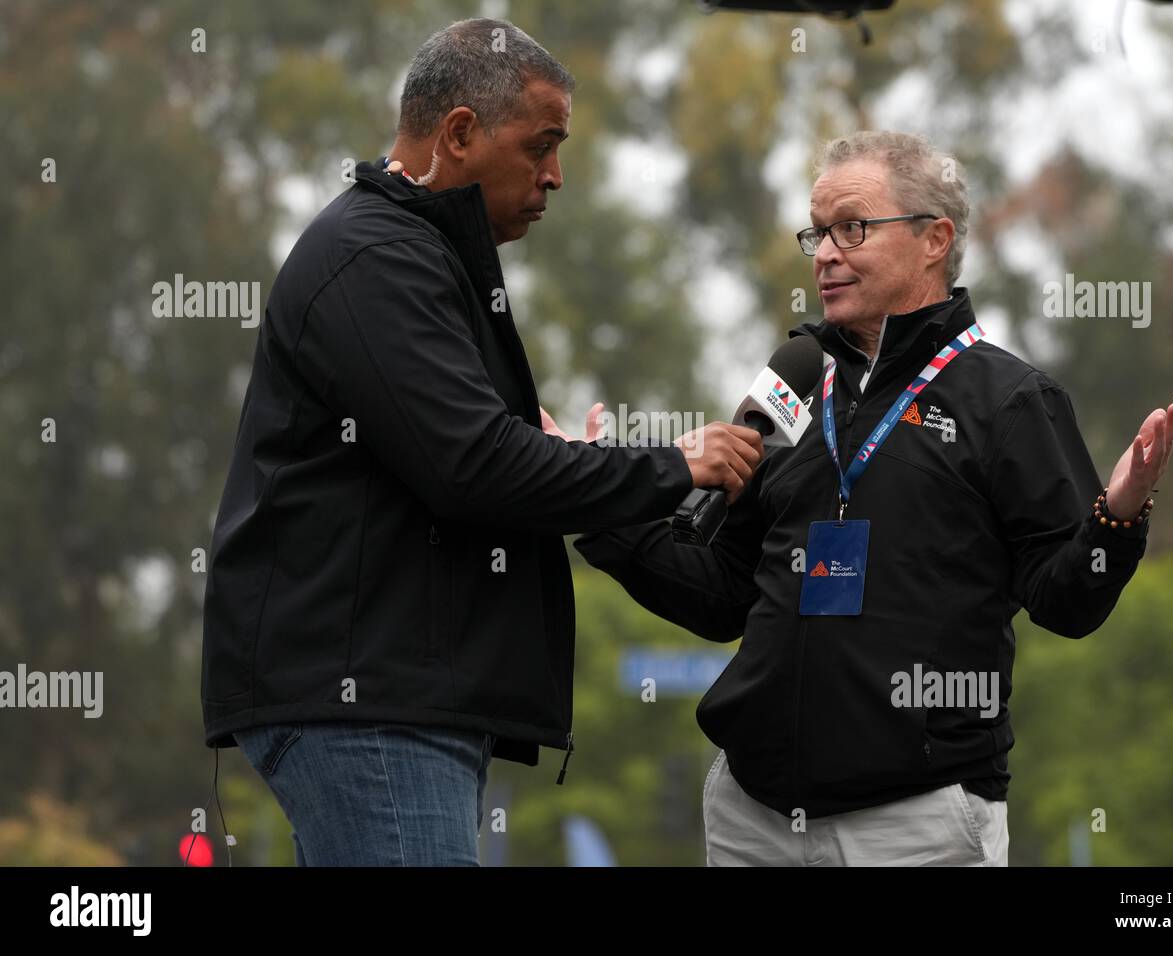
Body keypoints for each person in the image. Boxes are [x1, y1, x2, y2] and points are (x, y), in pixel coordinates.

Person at [200, 18, 762, 866]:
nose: (556, 176)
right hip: (369, 708)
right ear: (460, 133)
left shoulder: (409, 252)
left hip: (392, 702)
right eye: (543, 144)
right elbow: (475, 466)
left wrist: (559, 462)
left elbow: (479, 455)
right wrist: (672, 464)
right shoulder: (377, 255)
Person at [576, 130, 1173, 866]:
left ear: (935, 239)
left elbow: (1069, 603)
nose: (825, 253)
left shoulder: (1011, 401)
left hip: (916, 826)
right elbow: (722, 596)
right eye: (818, 232)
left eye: (852, 228)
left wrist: (1115, 519)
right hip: (752, 817)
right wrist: (599, 506)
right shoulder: (794, 387)